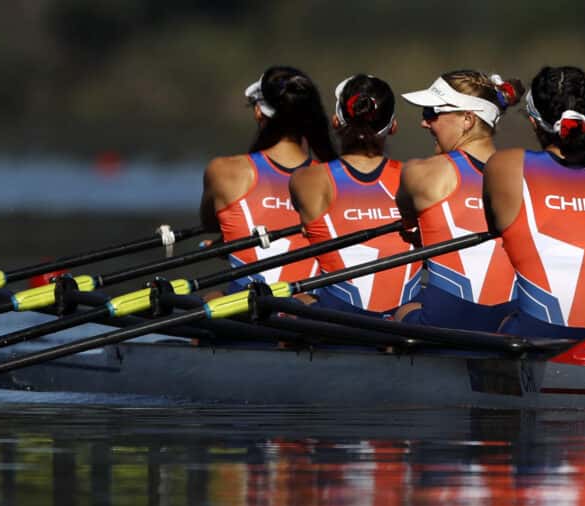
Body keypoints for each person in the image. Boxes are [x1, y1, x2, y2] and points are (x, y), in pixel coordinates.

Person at [482, 65, 585, 338]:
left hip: (540, 334)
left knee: (501, 321)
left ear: (534, 123)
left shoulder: (505, 166)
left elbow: (494, 227)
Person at [393, 70, 524, 329]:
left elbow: (407, 222)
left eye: (432, 113)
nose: (424, 123)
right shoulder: (527, 175)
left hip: (444, 323)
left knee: (401, 310)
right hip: (512, 320)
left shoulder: (419, 173)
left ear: (467, 119)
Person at [288, 74, 417, 315]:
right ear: (394, 126)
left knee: (301, 299)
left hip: (336, 321)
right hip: (403, 321)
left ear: (336, 121)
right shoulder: (416, 177)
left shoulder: (306, 180)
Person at [199, 66, 336, 290]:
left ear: (259, 112)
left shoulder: (223, 171)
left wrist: (235, 238)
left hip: (247, 308)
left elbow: (210, 223)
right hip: (309, 306)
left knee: (212, 297)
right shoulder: (333, 178)